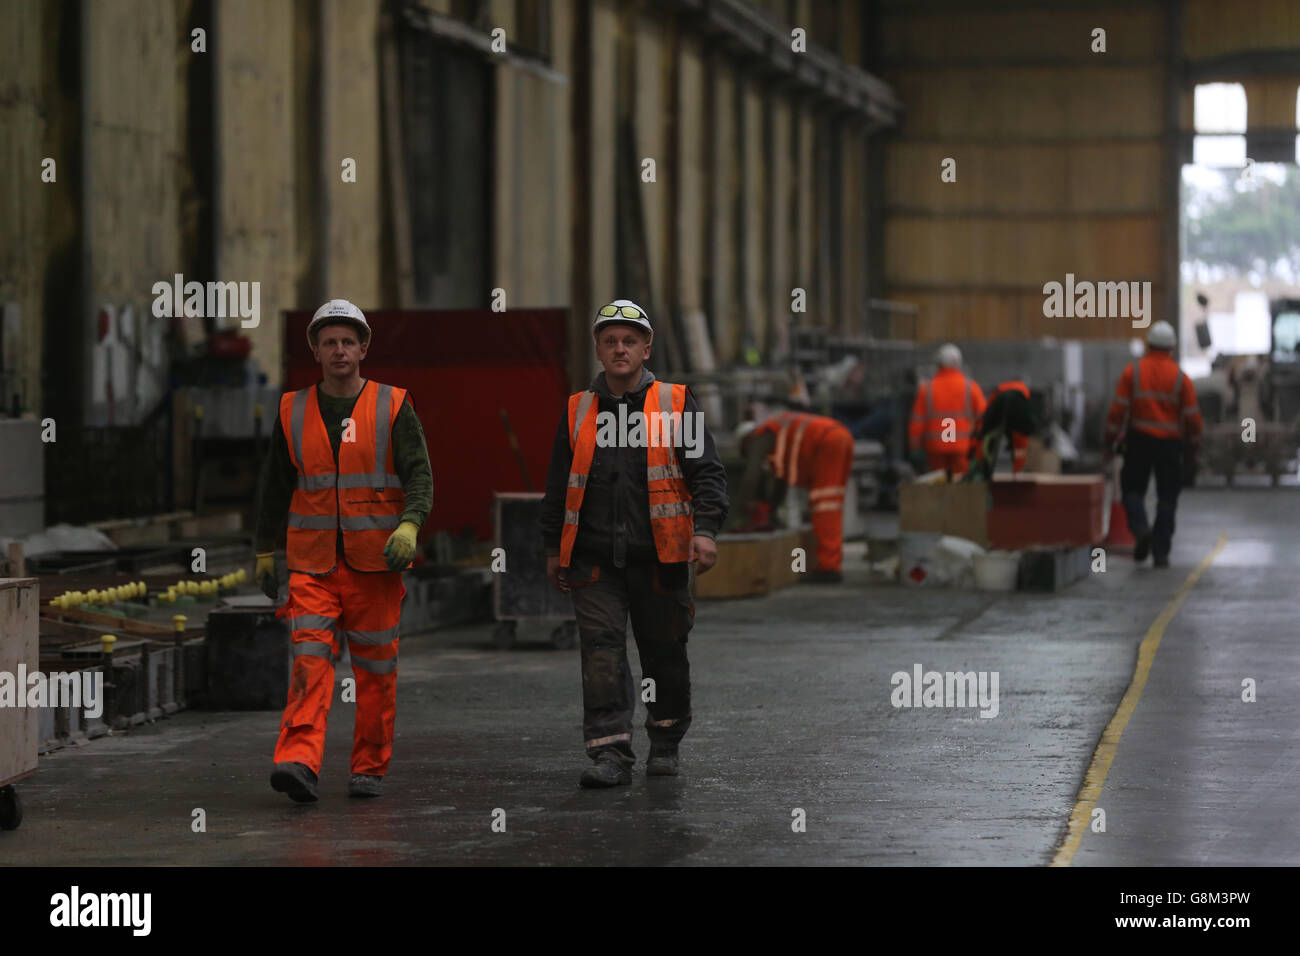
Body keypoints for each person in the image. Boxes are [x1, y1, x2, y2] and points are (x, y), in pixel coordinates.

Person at [538, 299, 728, 788]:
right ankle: (611, 754)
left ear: (647, 348)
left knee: (664, 652)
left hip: (660, 557)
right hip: (594, 559)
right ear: (598, 350)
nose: (619, 349)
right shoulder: (578, 410)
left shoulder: (675, 402)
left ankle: (665, 744)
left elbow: (706, 472)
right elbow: (559, 487)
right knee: (601, 653)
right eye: (610, 341)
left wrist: (704, 531)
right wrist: (551, 550)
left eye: (629, 341)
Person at [254, 299, 432, 802]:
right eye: (329, 342)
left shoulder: (393, 405)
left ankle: (369, 767)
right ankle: (298, 762)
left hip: (376, 563)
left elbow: (420, 474)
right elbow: (273, 486)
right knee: (310, 662)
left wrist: (410, 527)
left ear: (363, 349)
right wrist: (266, 551)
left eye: (347, 341)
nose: (339, 350)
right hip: (312, 564)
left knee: (375, 672)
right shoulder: (293, 409)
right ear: (315, 349)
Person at [1103, 320, 1203, 567]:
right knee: (1167, 497)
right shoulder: (1182, 379)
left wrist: (1109, 439)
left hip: (1138, 441)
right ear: (1172, 347)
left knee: (1131, 490)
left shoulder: (1132, 372)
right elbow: (1193, 419)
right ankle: (1160, 553)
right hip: (1170, 445)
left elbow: (1117, 411)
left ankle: (1140, 529)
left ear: (1149, 345)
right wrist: (1193, 448)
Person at [736, 409, 854, 582]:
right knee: (829, 506)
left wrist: (741, 508)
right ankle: (830, 561)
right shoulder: (777, 435)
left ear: (745, 441)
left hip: (828, 441)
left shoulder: (761, 436)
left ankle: (829, 568)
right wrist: (772, 511)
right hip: (839, 436)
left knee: (825, 507)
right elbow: (780, 480)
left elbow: (751, 474)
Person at [908, 344, 987, 477]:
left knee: (938, 485)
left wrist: (915, 449)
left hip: (935, 450)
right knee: (961, 487)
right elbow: (984, 420)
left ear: (938, 364)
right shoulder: (971, 388)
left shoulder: (926, 390)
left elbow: (916, 425)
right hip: (962, 449)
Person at [971, 377, 1037, 477]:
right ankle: (1016, 474)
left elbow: (987, 417)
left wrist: (981, 434)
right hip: (1017, 407)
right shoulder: (1023, 391)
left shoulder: (999, 391)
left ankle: (984, 467)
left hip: (1002, 405)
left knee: (987, 436)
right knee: (1019, 445)